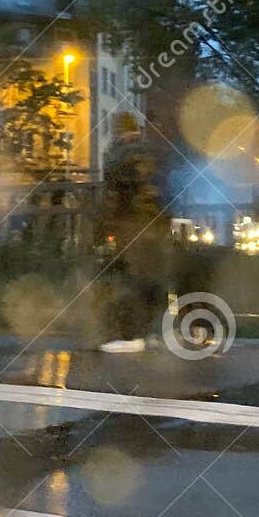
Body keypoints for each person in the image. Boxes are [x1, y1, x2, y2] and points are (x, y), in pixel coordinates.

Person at [97, 112, 172, 353]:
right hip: (157, 222)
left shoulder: (118, 153)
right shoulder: (152, 151)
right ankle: (155, 333)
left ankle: (131, 336)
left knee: (129, 278)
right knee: (153, 278)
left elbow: (112, 192)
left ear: (117, 130)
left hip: (131, 222)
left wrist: (105, 225)